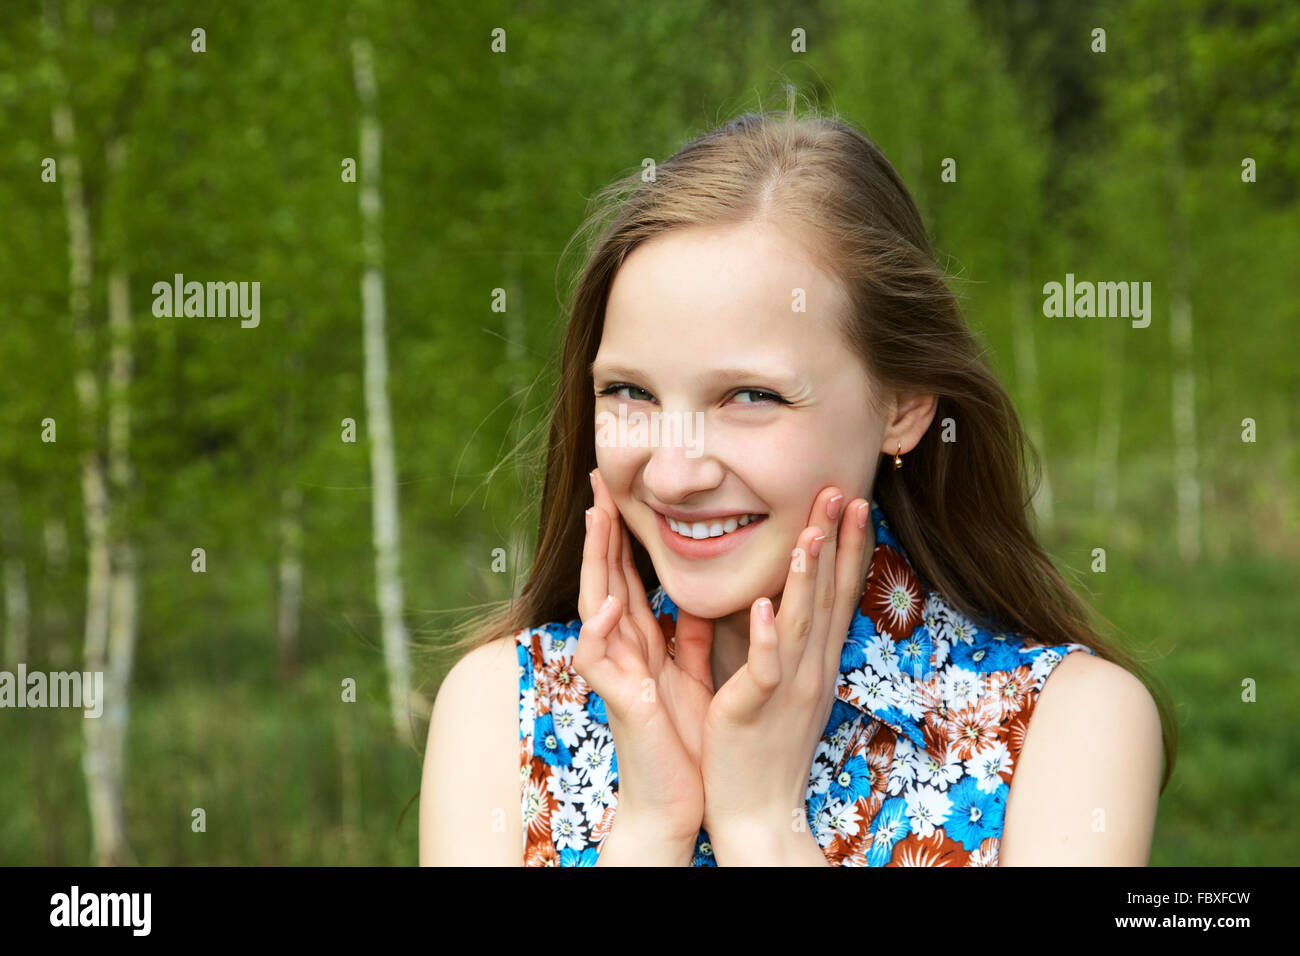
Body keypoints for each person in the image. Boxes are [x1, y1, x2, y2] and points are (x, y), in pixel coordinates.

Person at [419, 102, 1176, 866]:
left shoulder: (1069, 727)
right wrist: (651, 827)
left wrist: (761, 828)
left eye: (751, 397)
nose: (675, 474)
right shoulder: (500, 711)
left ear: (905, 406)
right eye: (631, 393)